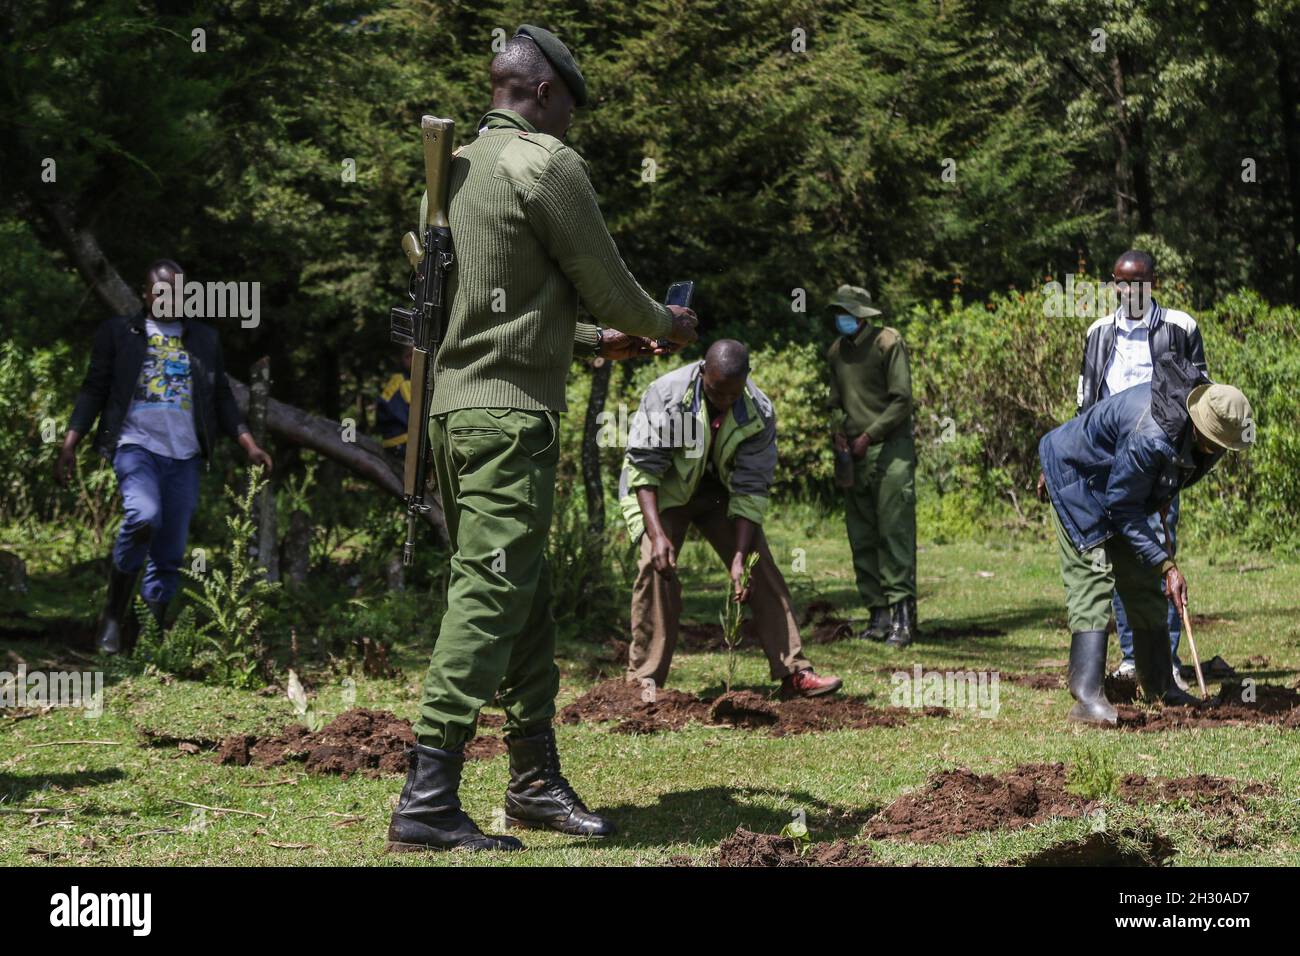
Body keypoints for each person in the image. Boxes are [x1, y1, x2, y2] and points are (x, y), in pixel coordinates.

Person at [386, 25, 698, 854]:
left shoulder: (447, 172)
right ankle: (428, 796)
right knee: (490, 596)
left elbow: (493, 308)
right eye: (569, 113)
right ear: (546, 95)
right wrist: (664, 324)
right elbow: (609, 285)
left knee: (521, 597)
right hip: (507, 418)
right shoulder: (546, 165)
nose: (570, 132)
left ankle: (531, 781)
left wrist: (599, 344)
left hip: (451, 414)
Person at [55, 259, 273, 654]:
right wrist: (70, 442)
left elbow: (221, 396)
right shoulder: (121, 334)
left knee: (170, 553)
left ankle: (146, 639)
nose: (168, 300)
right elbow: (93, 389)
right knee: (143, 515)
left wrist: (249, 444)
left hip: (185, 457)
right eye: (160, 292)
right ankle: (112, 618)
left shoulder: (204, 340)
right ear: (146, 294)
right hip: (135, 448)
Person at [618, 340, 843, 698]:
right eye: (716, 391)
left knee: (759, 564)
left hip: (718, 495)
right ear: (702, 371)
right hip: (665, 492)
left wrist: (740, 557)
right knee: (654, 565)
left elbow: (752, 488)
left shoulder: (759, 410)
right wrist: (658, 535)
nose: (724, 400)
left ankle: (795, 672)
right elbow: (643, 471)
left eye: (732, 394)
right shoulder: (666, 394)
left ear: (746, 380)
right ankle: (643, 681)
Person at [1037, 352, 1253, 724]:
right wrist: (1166, 564)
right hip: (1078, 481)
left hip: (1118, 486)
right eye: (1218, 443)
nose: (1221, 452)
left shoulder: (1205, 434)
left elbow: (1149, 483)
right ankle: (1087, 698)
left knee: (1143, 583)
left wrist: (1163, 497)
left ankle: (1159, 686)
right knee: (1094, 576)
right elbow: (1123, 508)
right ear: (1202, 427)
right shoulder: (1151, 436)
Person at [1075, 249, 1207, 688]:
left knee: (1160, 556)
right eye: (1121, 283)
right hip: (1110, 458)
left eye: (1139, 283)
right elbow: (1085, 400)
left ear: (1153, 283)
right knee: (1120, 559)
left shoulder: (1180, 326)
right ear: (1113, 284)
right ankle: (1132, 661)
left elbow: (1200, 396)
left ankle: (1165, 664)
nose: (1129, 291)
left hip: (1158, 459)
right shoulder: (1097, 331)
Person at [824, 284, 918, 647]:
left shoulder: (888, 343)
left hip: (890, 450)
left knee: (894, 533)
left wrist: (869, 435)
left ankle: (903, 620)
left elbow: (902, 400)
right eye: (838, 311)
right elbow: (834, 401)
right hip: (853, 455)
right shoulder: (836, 352)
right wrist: (839, 434)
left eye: (847, 312)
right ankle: (876, 615)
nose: (841, 318)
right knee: (861, 536)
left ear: (863, 315)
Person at [376, 347, 412, 461]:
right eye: (408, 356)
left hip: (397, 440)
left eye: (414, 355)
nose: (413, 359)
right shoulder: (403, 382)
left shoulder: (401, 379)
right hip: (401, 441)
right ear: (401, 359)